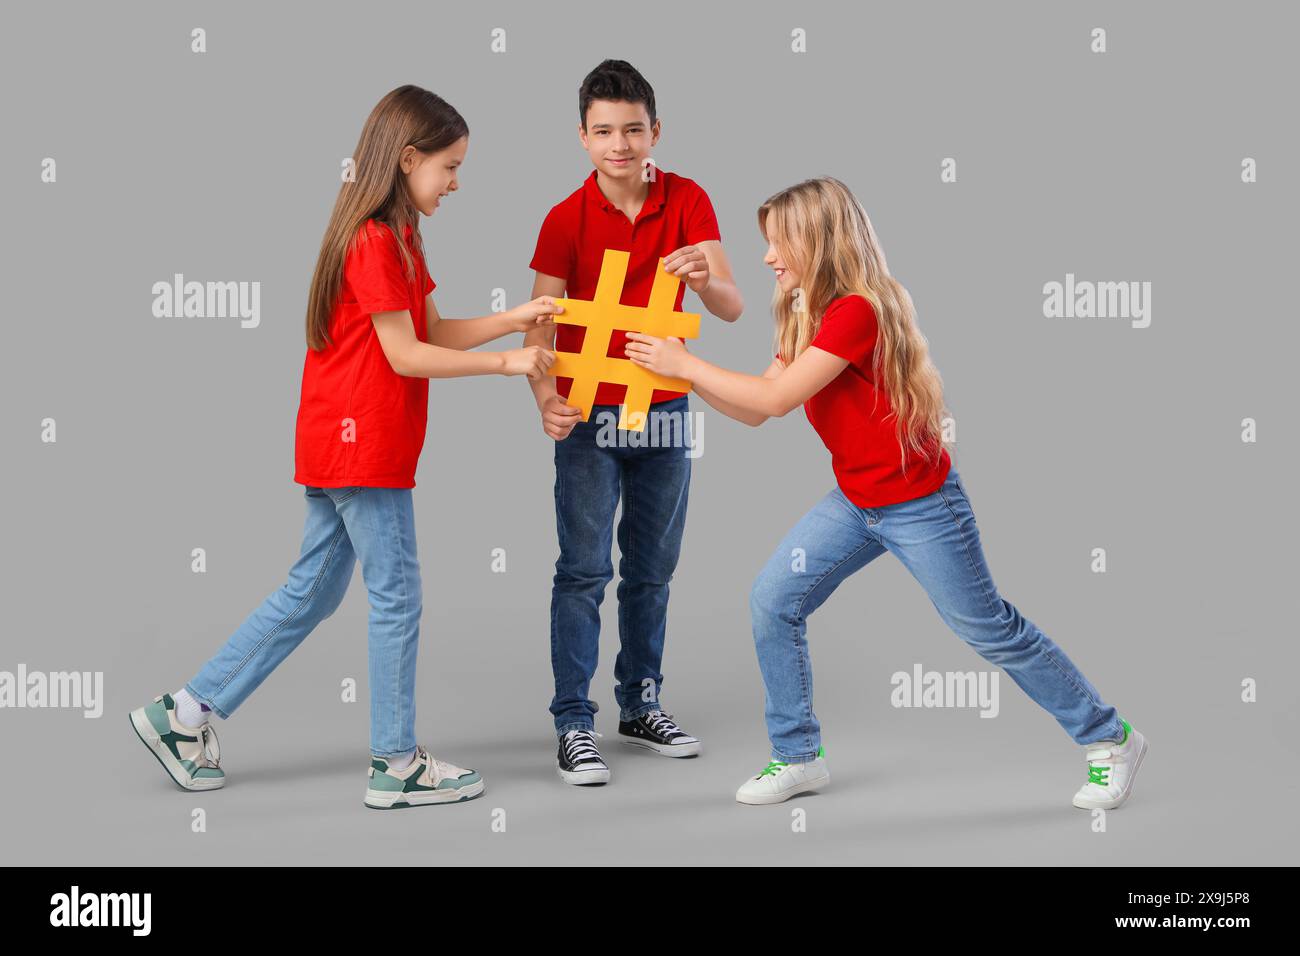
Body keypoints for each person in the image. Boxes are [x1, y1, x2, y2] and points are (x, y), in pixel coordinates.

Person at [625, 176, 1148, 809]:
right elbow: (756, 411)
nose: (767, 258)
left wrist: (683, 365)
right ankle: (797, 757)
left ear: (819, 242)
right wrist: (682, 369)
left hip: (921, 504)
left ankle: (1110, 739)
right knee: (773, 600)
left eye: (779, 243)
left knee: (987, 628)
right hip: (856, 502)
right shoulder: (802, 311)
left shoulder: (856, 312)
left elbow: (777, 398)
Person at [128, 84, 560, 810]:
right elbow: (406, 356)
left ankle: (183, 715)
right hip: (362, 447)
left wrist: (516, 319)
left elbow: (435, 329)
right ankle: (395, 763)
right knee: (397, 596)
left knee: (313, 590)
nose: (456, 182)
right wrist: (509, 363)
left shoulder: (398, 237)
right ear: (409, 158)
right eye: (449, 167)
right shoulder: (372, 242)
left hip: (343, 441)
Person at [523, 59, 747, 785]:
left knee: (652, 570)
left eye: (632, 129)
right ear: (582, 138)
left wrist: (706, 276)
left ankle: (640, 702)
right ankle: (572, 722)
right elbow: (539, 325)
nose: (619, 144)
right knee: (583, 569)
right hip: (590, 412)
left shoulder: (688, 199)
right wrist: (545, 400)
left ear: (656, 131)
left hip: (665, 411)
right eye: (603, 131)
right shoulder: (564, 218)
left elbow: (732, 307)